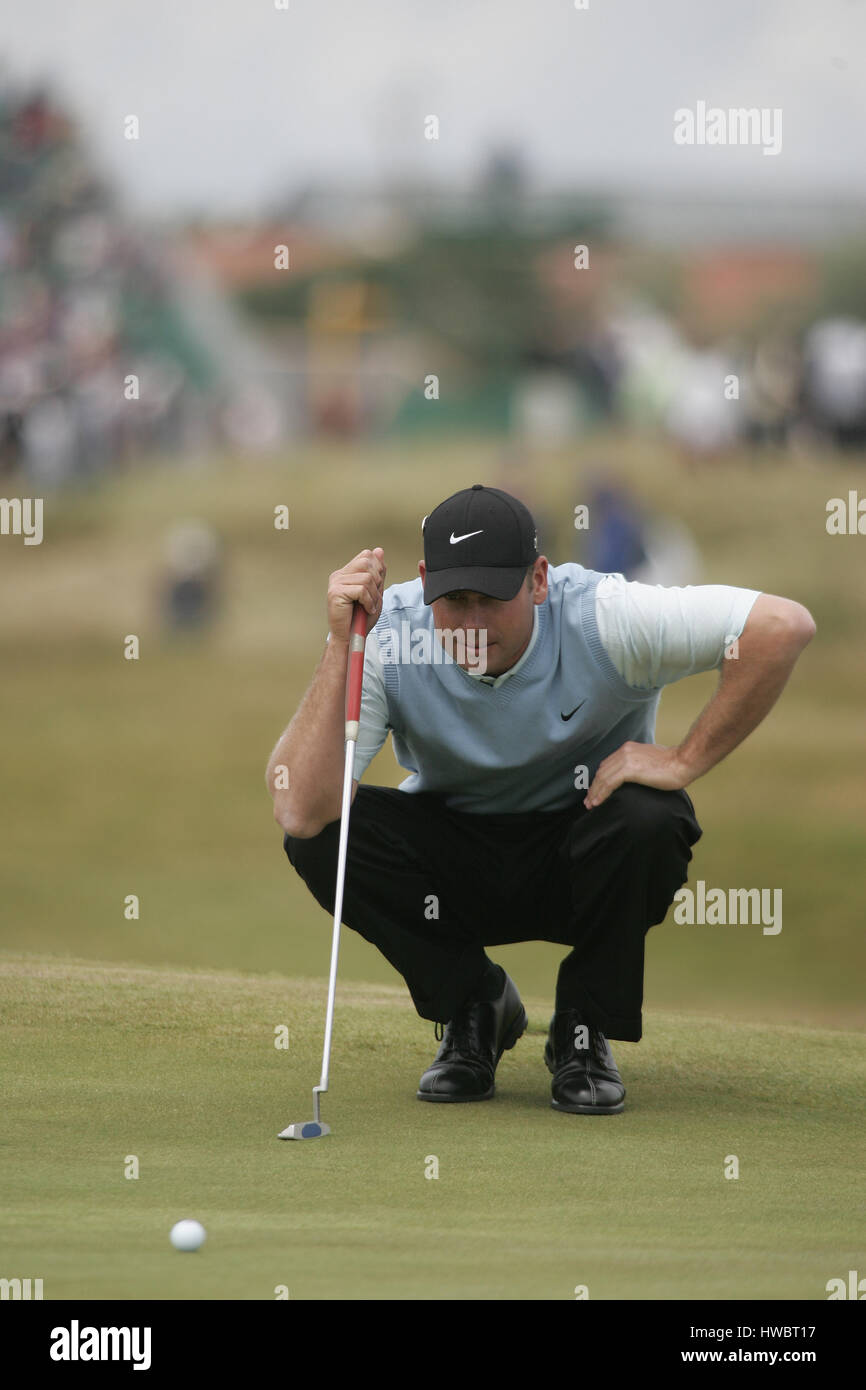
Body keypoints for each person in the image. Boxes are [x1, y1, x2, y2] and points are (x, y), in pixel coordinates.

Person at [267, 484, 815, 1117]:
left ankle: (582, 1030)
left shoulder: (604, 617)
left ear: (538, 580)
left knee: (649, 816)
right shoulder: (390, 633)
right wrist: (342, 644)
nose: (471, 623)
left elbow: (782, 627)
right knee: (324, 836)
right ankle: (477, 1007)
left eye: (491, 599)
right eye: (453, 600)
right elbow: (299, 810)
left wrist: (682, 760)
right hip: (454, 865)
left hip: (585, 856)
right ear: (423, 583)